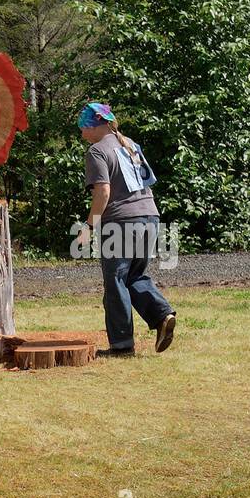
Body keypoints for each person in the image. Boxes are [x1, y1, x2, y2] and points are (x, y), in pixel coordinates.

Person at [77, 101, 177, 355]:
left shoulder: (97, 151)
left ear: (93, 124)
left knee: (116, 280)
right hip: (150, 216)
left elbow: (103, 191)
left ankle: (121, 345)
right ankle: (163, 316)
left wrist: (89, 226)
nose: (81, 134)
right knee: (134, 276)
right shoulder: (129, 144)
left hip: (121, 222)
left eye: (82, 127)